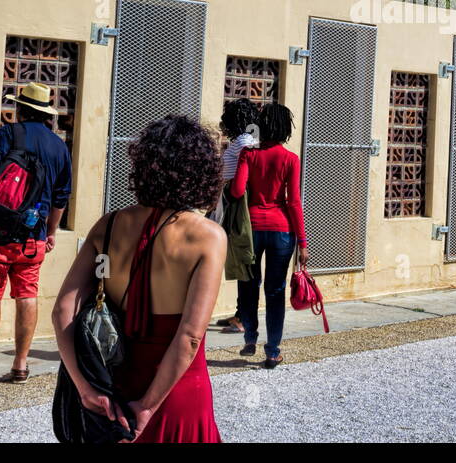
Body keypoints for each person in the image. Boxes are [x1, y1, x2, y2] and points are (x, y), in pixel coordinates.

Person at [53, 114, 226, 443]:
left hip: (115, 388)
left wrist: (85, 388)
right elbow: (189, 337)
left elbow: (63, 311)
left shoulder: (109, 225)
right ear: (202, 171)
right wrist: (147, 407)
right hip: (178, 390)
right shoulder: (207, 237)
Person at [0, 82, 71, 385]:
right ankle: (20, 366)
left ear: (20, 109)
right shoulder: (59, 146)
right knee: (27, 294)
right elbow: (61, 196)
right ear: (47, 113)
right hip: (33, 235)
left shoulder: (9, 134)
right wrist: (50, 232)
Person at [230, 102, 307, 369]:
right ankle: (273, 351)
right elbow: (294, 202)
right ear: (286, 128)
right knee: (276, 291)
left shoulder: (248, 155)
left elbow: (238, 191)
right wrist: (303, 243)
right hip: (282, 231)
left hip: (251, 229)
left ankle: (250, 337)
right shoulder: (290, 159)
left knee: (249, 284)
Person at [213, 97, 259, 334]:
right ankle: (241, 313)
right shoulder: (241, 141)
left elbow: (242, 179)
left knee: (244, 259)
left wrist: (229, 196)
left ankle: (244, 317)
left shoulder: (246, 143)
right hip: (229, 199)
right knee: (241, 260)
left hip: (236, 202)